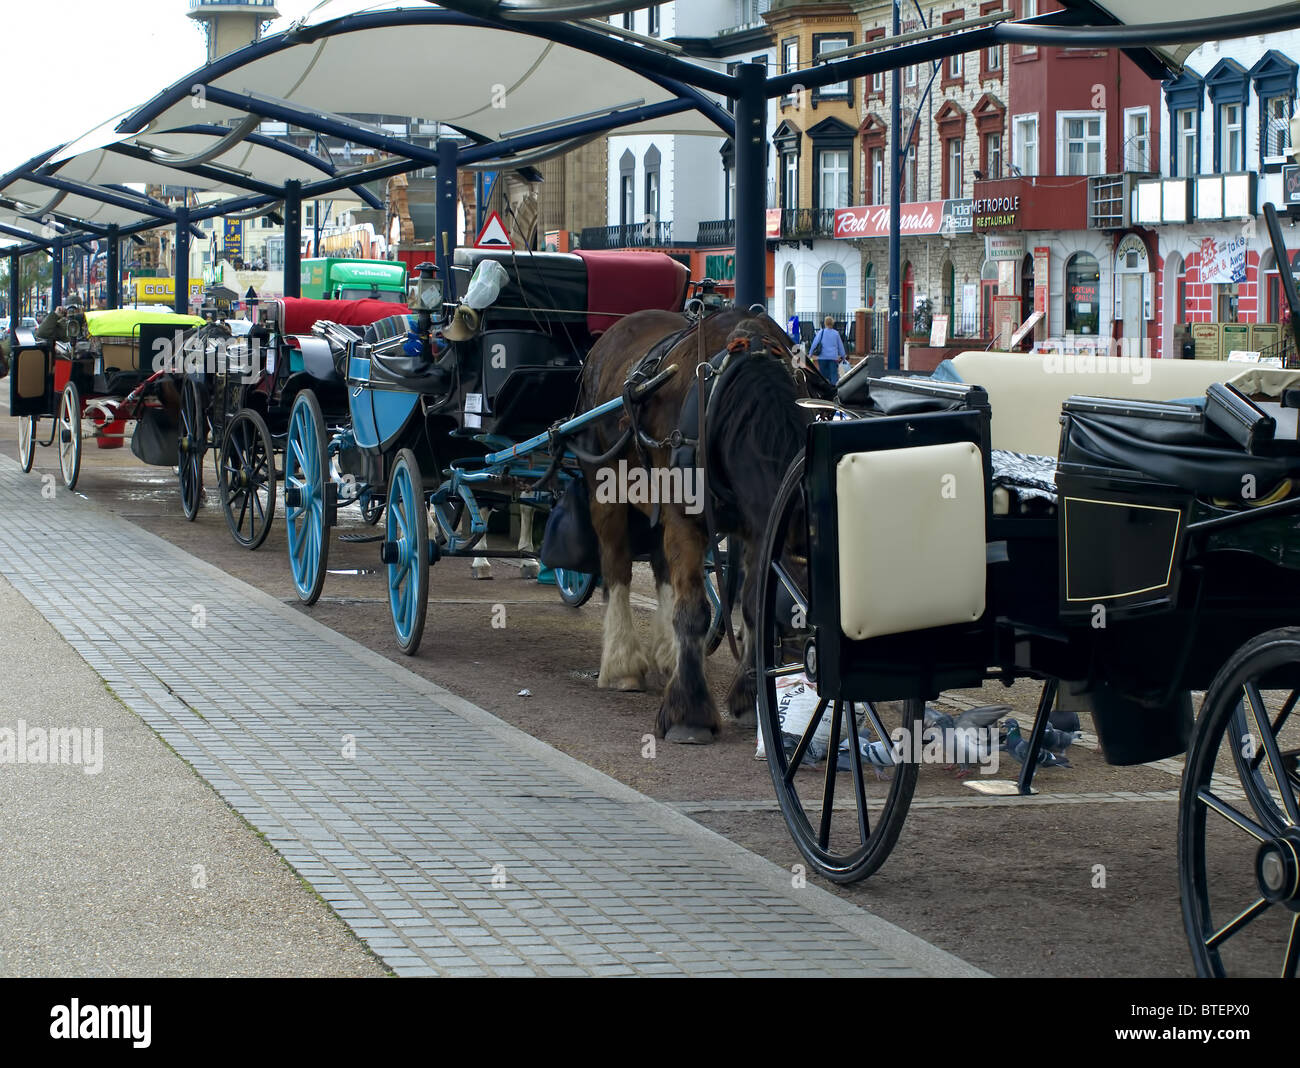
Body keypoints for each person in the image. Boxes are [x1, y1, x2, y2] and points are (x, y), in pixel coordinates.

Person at [809, 315, 848, 384]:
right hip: (833, 357)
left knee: (823, 376)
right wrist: (843, 356)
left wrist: (810, 353)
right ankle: (834, 390)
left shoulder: (821, 332)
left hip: (822, 357)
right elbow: (840, 346)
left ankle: (825, 389)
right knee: (833, 375)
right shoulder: (836, 333)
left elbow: (815, 343)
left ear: (825, 323)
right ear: (832, 323)